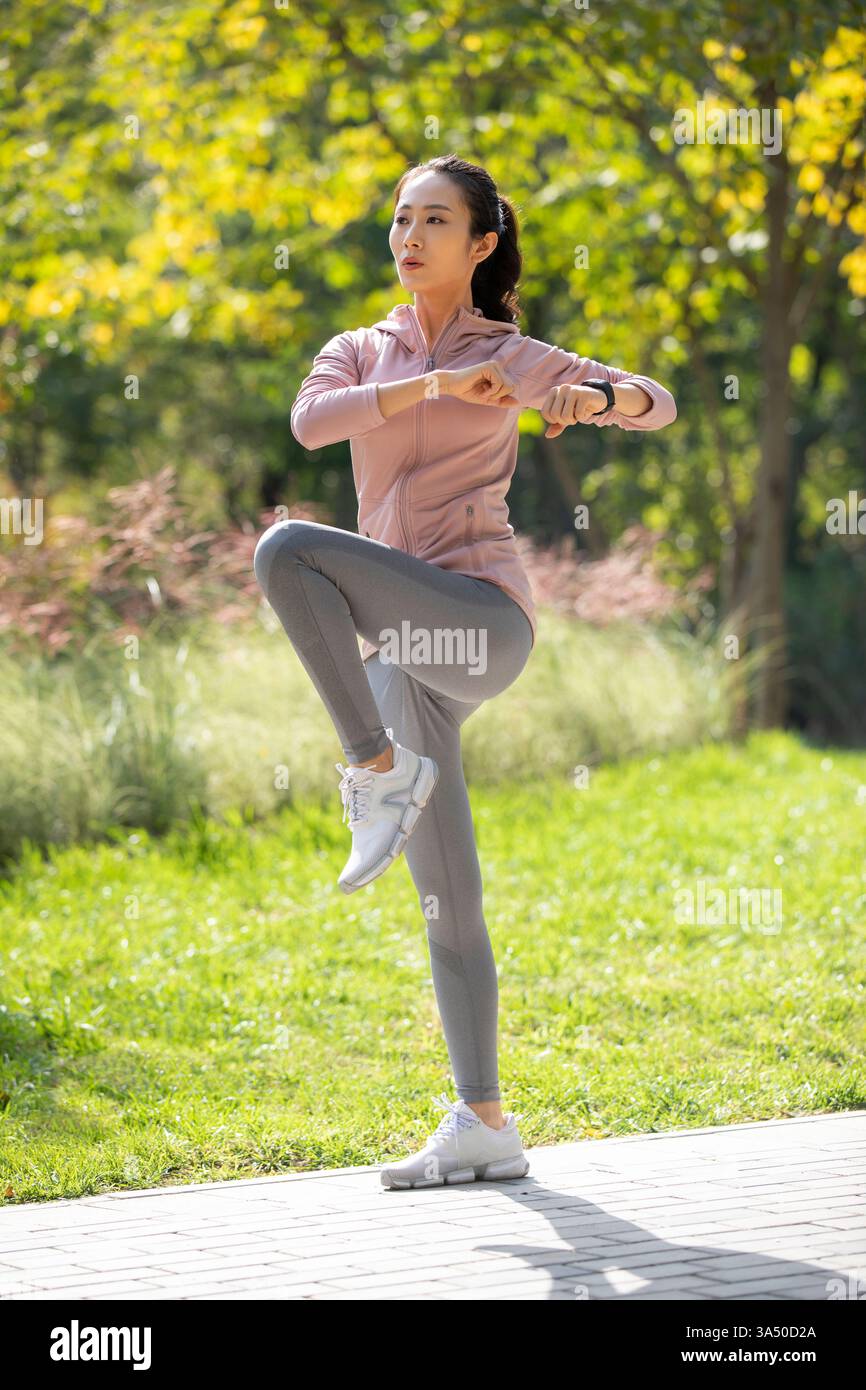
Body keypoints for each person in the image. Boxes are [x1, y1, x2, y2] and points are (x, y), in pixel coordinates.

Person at [252, 153, 677, 1189]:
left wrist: (599, 399)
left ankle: (372, 765)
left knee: (285, 549)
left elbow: (657, 404)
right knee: (447, 896)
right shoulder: (357, 351)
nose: (407, 235)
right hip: (404, 646)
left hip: (480, 620)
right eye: (399, 217)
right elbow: (311, 424)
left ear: (480, 244)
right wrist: (435, 385)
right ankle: (483, 1117)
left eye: (433, 219)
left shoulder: (512, 350)